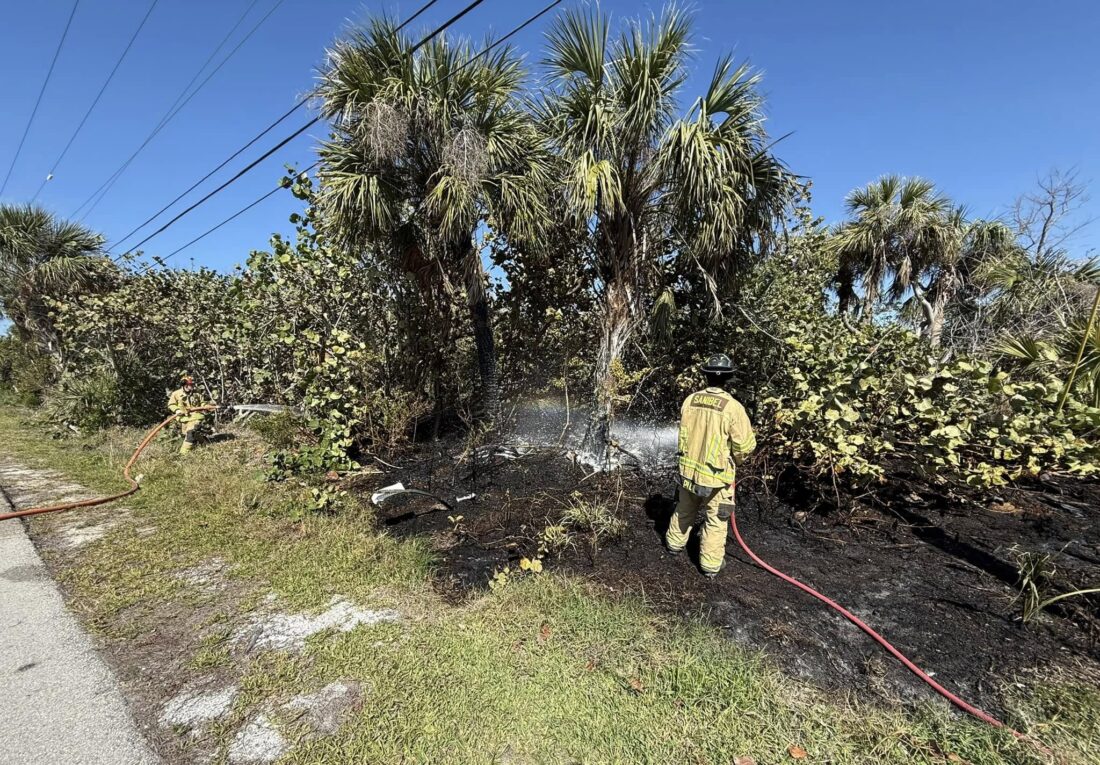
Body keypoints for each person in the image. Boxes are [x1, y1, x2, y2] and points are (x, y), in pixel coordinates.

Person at [665, 353, 756, 577]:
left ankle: (674, 544)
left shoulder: (690, 400)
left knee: (685, 507)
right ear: (729, 378)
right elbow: (744, 445)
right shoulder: (733, 408)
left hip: (688, 471)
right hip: (717, 478)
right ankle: (710, 565)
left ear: (705, 376)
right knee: (717, 519)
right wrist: (736, 461)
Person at [167, 375, 208, 454]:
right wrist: (177, 410)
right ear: (185, 385)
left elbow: (203, 402)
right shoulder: (176, 394)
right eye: (191, 384)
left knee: (190, 433)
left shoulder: (197, 393)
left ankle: (183, 454)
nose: (193, 386)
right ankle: (204, 442)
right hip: (184, 418)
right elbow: (171, 404)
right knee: (190, 433)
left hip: (196, 417)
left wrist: (205, 407)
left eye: (193, 384)